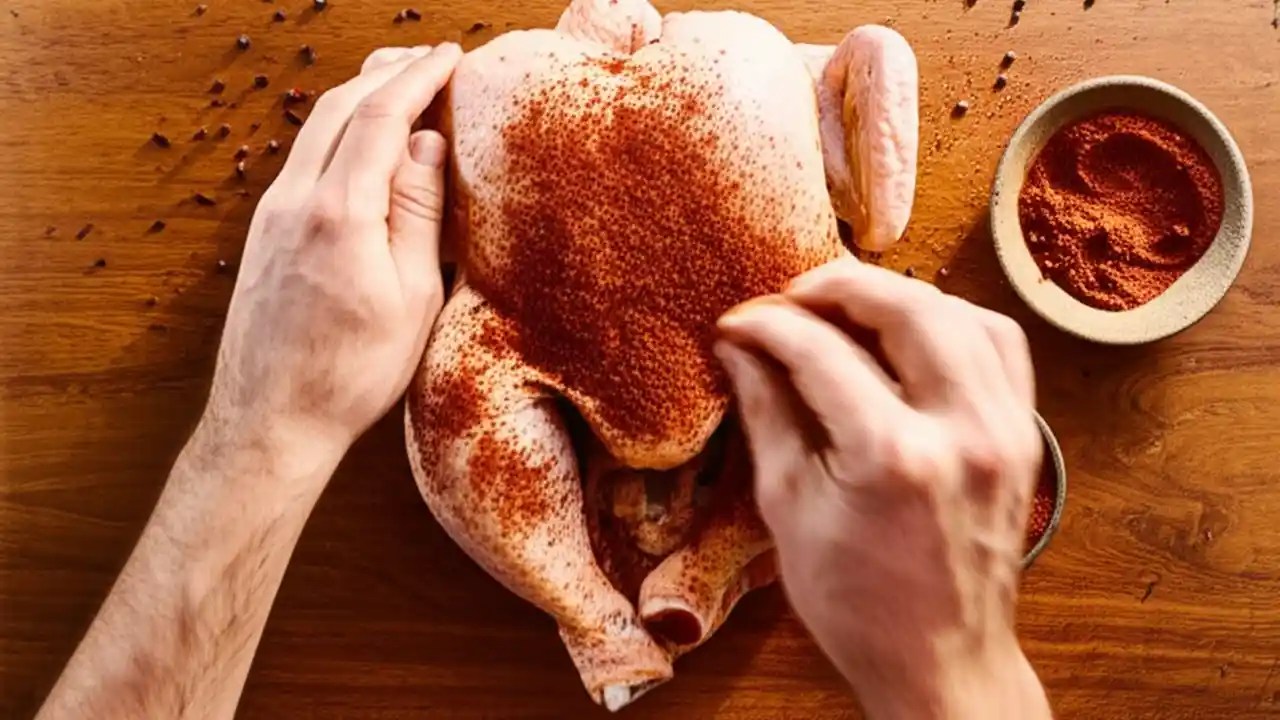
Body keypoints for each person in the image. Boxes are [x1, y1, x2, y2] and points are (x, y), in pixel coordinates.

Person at [35, 44, 1052, 720]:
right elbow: (878, 215)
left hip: (757, 303)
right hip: (534, 318)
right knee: (462, 403)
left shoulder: (745, 59)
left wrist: (262, 430)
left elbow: (875, 166)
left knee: (832, 376)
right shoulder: (509, 77)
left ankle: (696, 575)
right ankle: (600, 618)